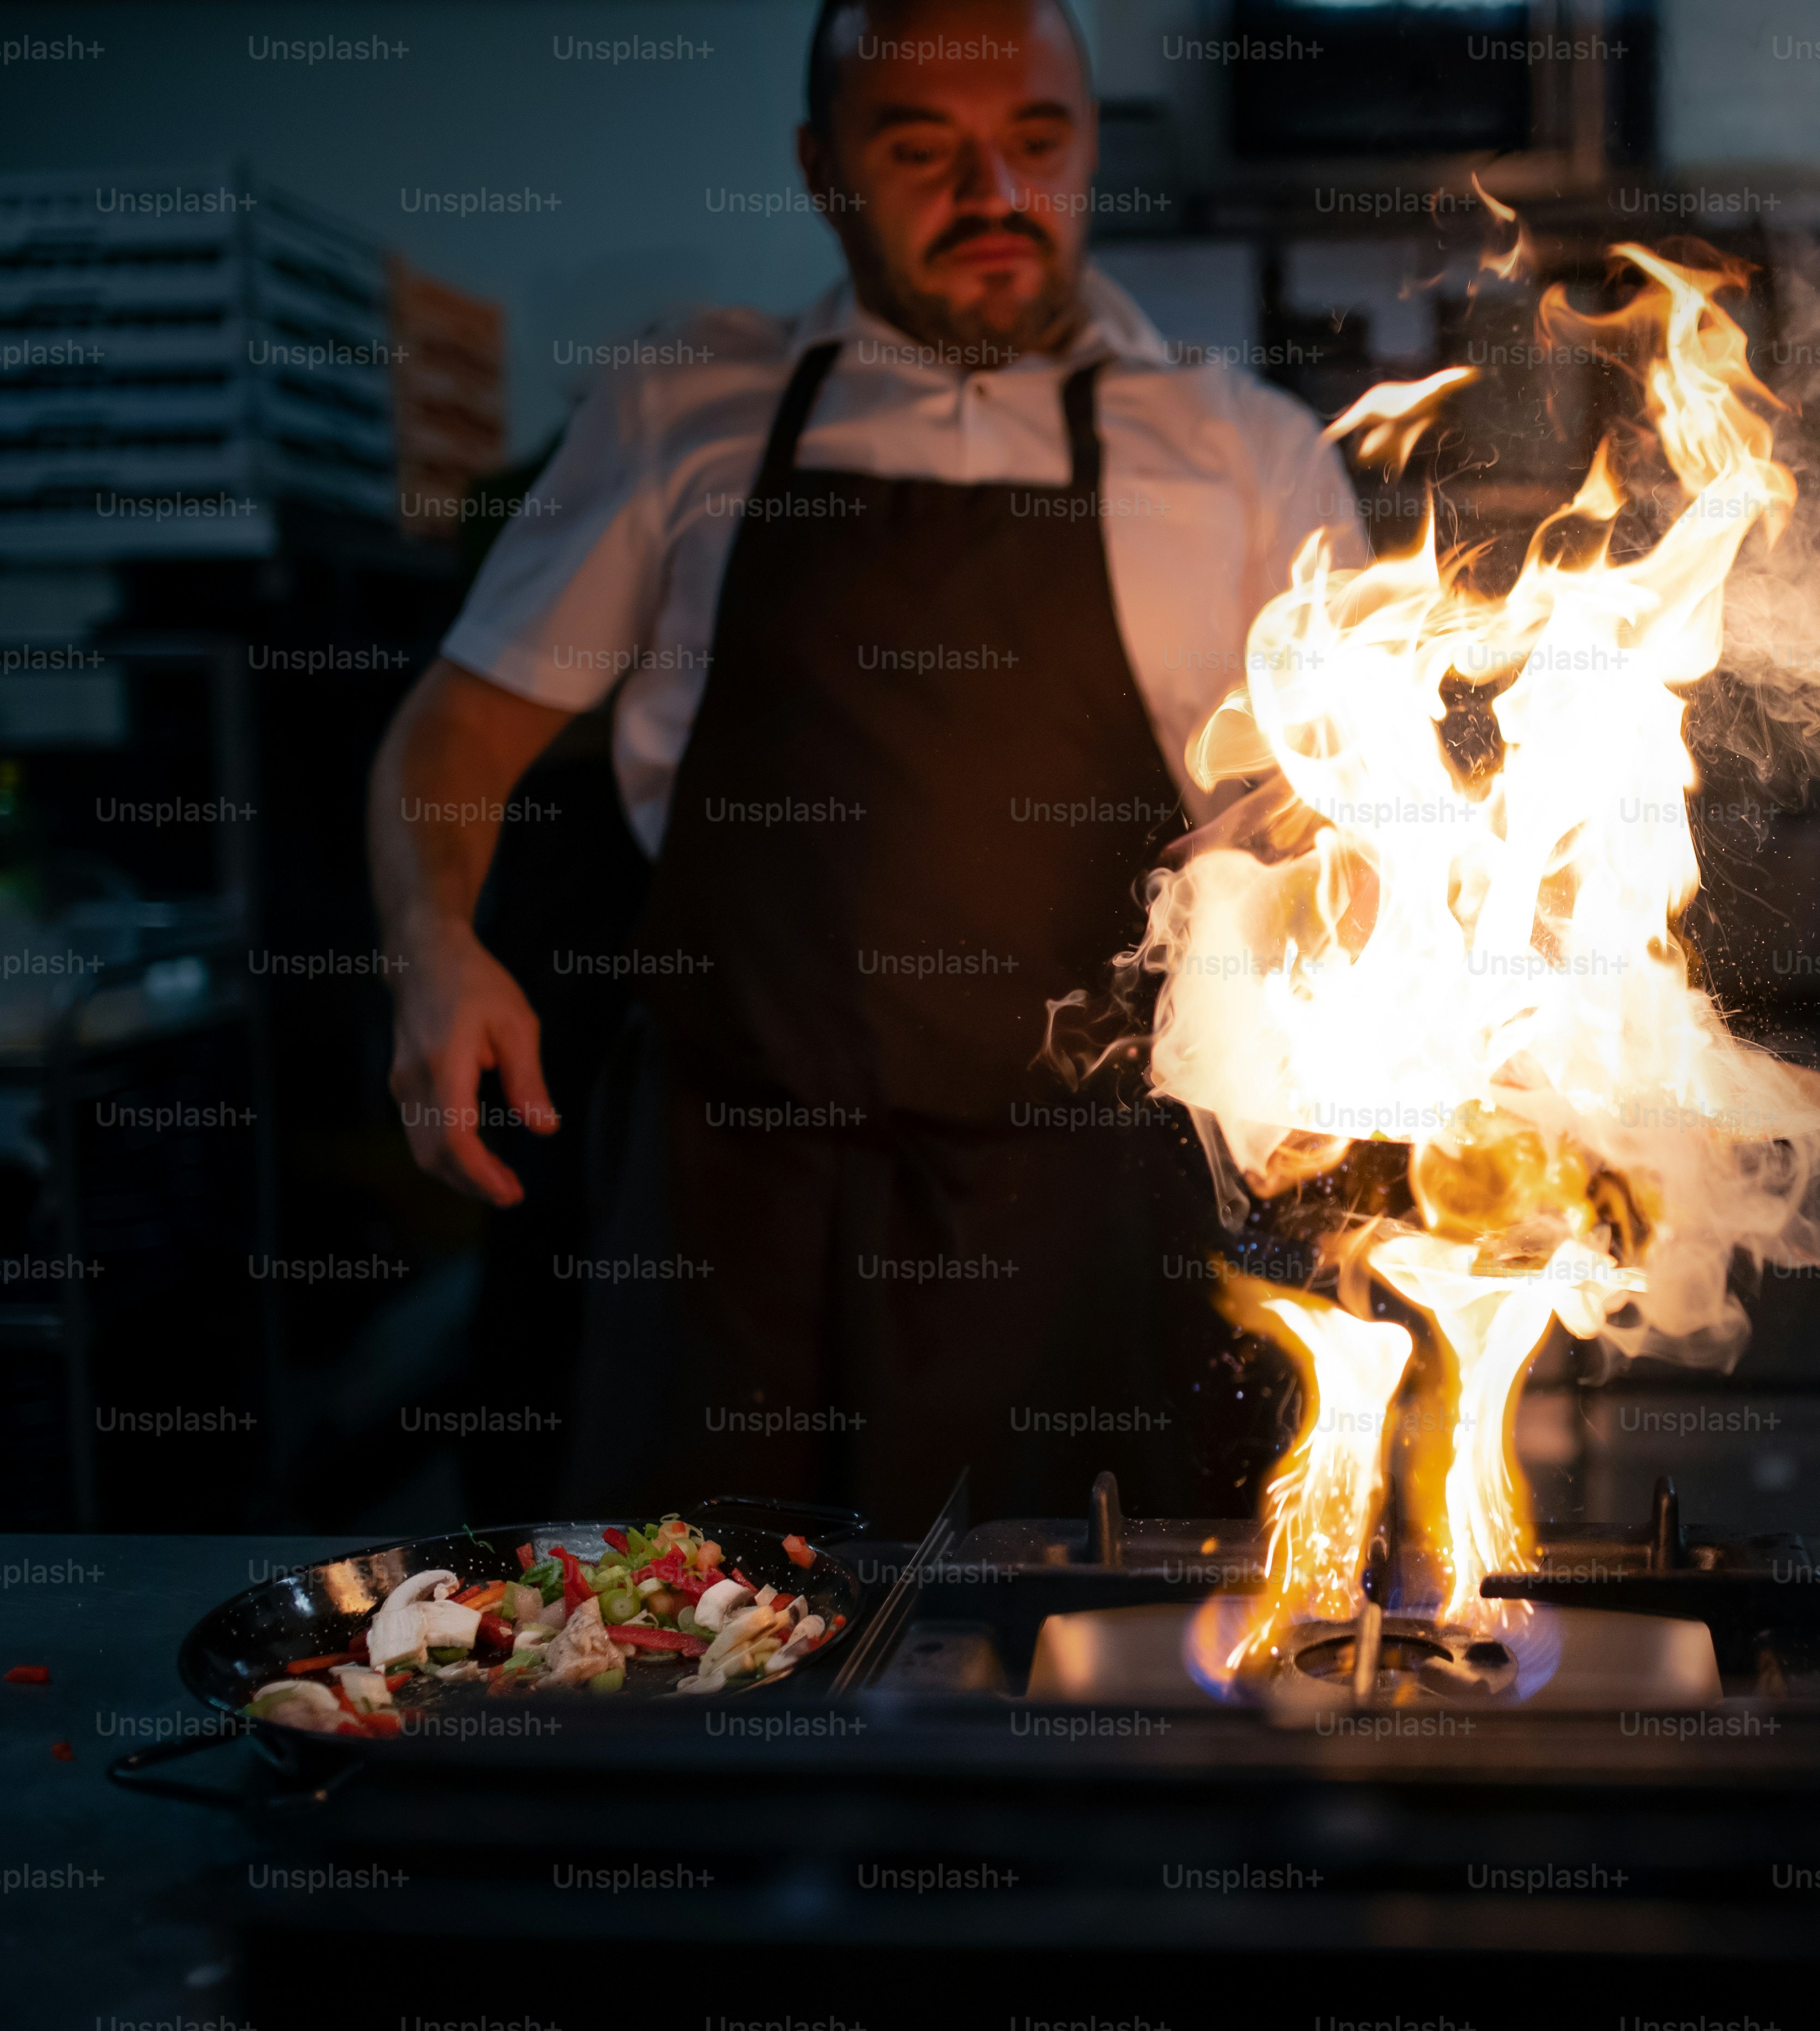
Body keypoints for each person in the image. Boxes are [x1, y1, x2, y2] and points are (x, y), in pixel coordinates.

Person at [367, 0, 1361, 1525]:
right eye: (922, 150)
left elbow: (1328, 824)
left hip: (1082, 1223)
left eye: (1038, 140)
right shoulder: (683, 404)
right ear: (821, 168)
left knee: (1073, 1686)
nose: (995, 195)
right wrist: (435, 947)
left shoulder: (1244, 451)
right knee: (691, 1671)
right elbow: (457, 727)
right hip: (730, 1212)